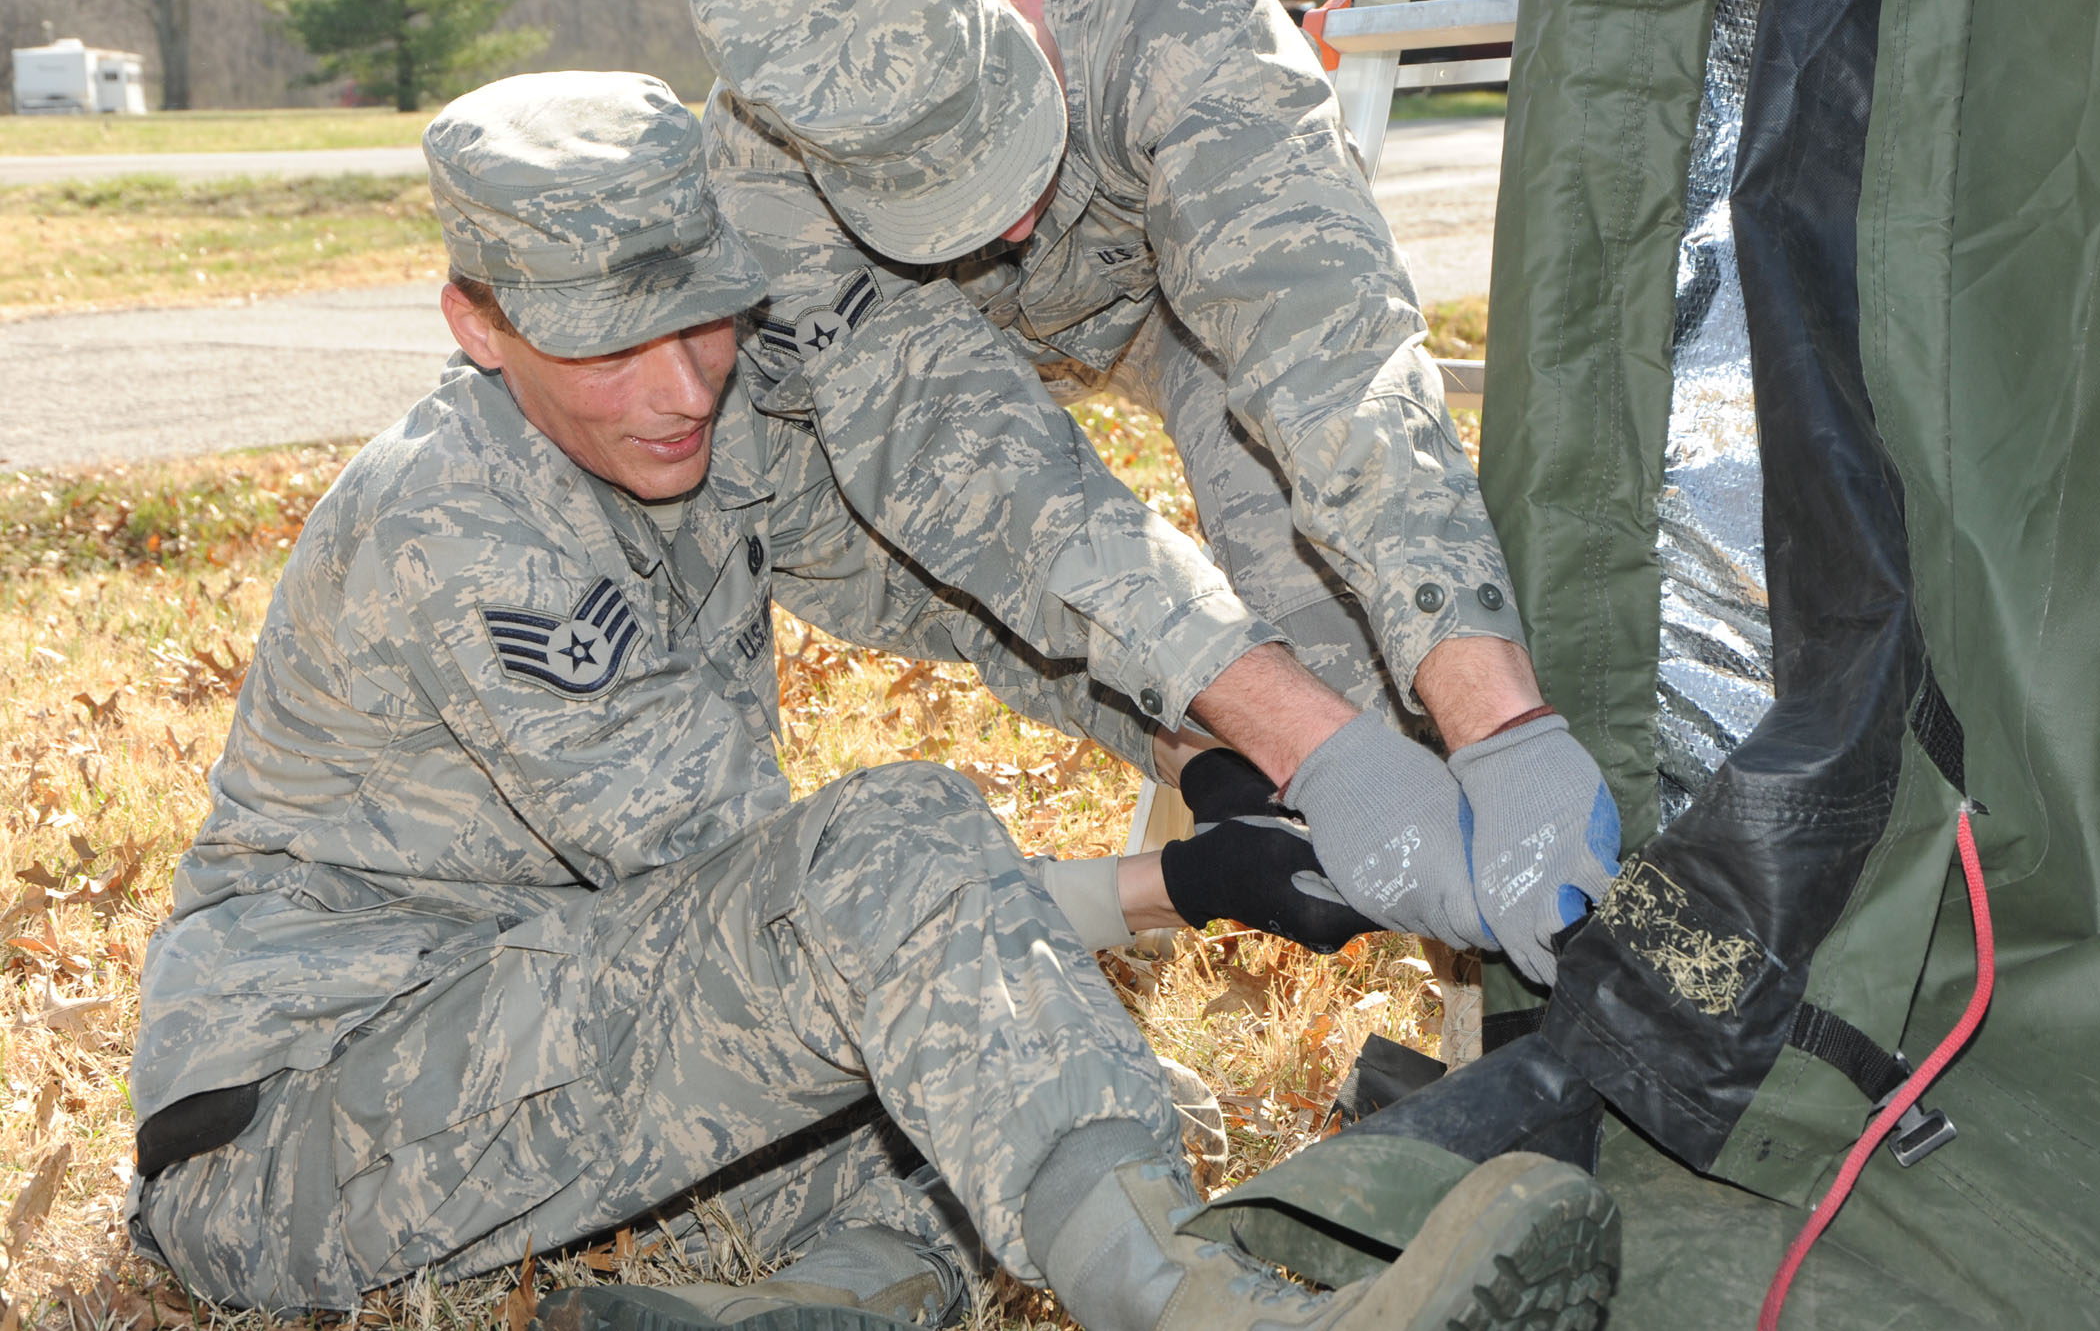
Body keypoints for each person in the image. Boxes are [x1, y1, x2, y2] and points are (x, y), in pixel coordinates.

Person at [121, 71, 1616, 1330]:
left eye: (703, 319)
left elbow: (954, 602)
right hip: (302, 1133)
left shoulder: (696, 435)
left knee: (1043, 1112)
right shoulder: (457, 528)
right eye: (607, 345)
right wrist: (1183, 881)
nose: (681, 388)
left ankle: (772, 1312)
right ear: (476, 321)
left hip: (542, 1049)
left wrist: (1213, 747)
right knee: (931, 923)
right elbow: (808, 906)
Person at [687, 0, 1621, 989]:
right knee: (996, 595)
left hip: (1175, 291)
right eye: (946, 201)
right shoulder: (766, 179)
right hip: (950, 355)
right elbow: (998, 496)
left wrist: (1496, 724)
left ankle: (1498, 961)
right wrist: (1300, 747)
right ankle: (1219, 769)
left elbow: (1325, 359)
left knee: (1362, 658)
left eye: (1011, 147)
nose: (1015, 222)